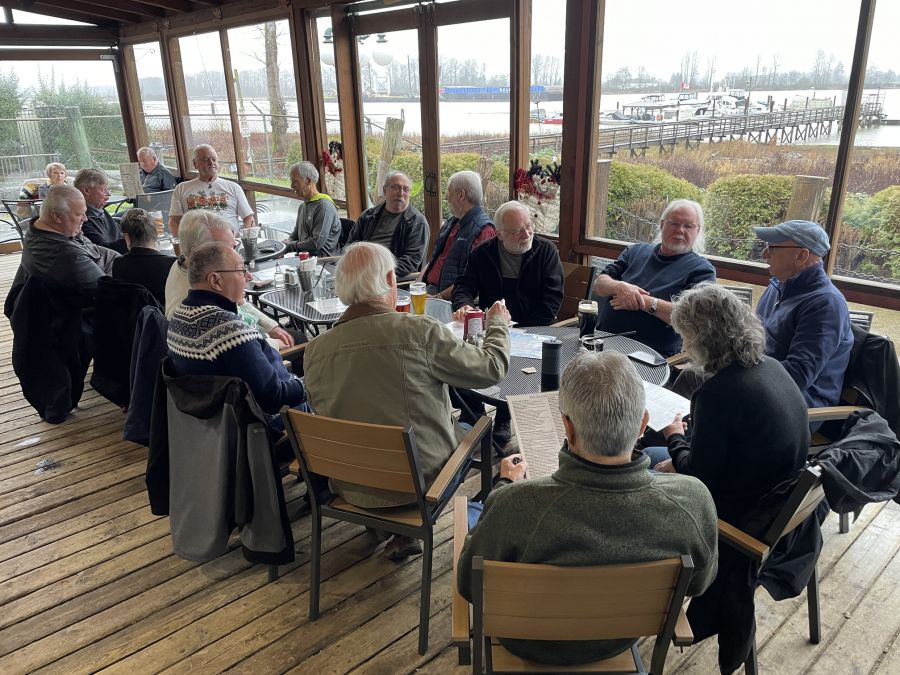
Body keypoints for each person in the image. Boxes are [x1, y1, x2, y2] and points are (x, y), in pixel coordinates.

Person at [457, 351, 718, 667]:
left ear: (567, 427)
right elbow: (700, 583)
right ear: (642, 424)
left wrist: (504, 485)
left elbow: (469, 585)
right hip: (616, 642)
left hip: (526, 645)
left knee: (471, 511)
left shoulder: (514, 504)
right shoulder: (693, 501)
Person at [303, 241, 511, 561]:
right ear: (390, 281)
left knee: (378, 420)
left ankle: (395, 531)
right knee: (474, 426)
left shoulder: (315, 351)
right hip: (421, 484)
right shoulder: (421, 332)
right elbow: (491, 368)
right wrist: (497, 324)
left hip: (351, 484)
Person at [646, 284, 809, 524]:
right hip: (772, 490)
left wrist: (675, 436)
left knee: (638, 476)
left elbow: (697, 475)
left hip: (739, 511)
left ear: (702, 340)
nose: (683, 347)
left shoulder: (716, 392)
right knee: (649, 453)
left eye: (685, 337)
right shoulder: (771, 366)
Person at [166, 241, 306, 426]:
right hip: (263, 432)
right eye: (241, 271)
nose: (248, 276)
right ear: (215, 280)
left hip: (212, 429)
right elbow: (274, 398)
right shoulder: (230, 331)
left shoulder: (178, 318)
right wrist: (311, 384)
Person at [592, 199, 715, 356]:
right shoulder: (635, 251)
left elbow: (694, 318)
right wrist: (620, 287)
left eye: (688, 226)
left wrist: (645, 303)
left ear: (697, 231)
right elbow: (600, 283)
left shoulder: (702, 270)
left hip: (651, 357)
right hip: (602, 344)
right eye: (674, 223)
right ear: (662, 224)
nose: (680, 230)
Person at [753, 219, 853, 408]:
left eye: (772, 247)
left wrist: (737, 370)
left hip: (799, 403)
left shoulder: (825, 304)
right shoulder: (777, 286)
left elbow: (798, 375)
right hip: (761, 384)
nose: (764, 254)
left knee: (716, 396)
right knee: (693, 376)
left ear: (801, 255)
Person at [164, 211, 294, 350]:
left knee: (290, 335)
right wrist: (273, 344)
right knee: (300, 343)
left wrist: (271, 327)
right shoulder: (194, 299)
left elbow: (241, 303)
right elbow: (234, 346)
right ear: (201, 253)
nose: (235, 255)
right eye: (226, 249)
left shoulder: (184, 263)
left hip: (247, 337)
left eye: (234, 246)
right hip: (243, 351)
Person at [451, 200, 563, 327]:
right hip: (492, 327)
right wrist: (464, 305)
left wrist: (519, 328)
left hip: (537, 328)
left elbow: (551, 301)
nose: (526, 234)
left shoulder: (546, 251)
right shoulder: (482, 253)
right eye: (517, 231)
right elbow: (463, 286)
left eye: (529, 226)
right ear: (499, 234)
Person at [12, 184, 118, 293]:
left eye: (84, 213)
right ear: (57, 216)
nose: (85, 219)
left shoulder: (41, 229)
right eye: (79, 214)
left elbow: (95, 249)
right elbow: (109, 291)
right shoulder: (65, 255)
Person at [420, 170, 496, 300]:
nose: (446, 197)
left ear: (461, 195)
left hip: (449, 301)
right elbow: (434, 259)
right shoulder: (452, 221)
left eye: (448, 192)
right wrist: (417, 285)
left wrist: (437, 298)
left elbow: (473, 280)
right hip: (429, 292)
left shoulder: (484, 230)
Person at [345, 171, 429, 280]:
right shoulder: (368, 216)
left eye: (406, 189)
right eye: (396, 187)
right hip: (362, 274)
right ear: (385, 190)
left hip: (391, 280)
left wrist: (376, 273)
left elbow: (410, 261)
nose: (401, 193)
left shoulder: (417, 222)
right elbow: (351, 246)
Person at [168, 145, 254, 238]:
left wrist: (245, 240)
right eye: (205, 159)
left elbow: (249, 218)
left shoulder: (233, 187)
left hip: (230, 242)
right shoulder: (182, 189)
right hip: (197, 244)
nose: (211, 162)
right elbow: (174, 222)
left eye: (214, 159)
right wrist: (183, 244)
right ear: (195, 164)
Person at [112, 208, 177, 307]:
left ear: (127, 237)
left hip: (132, 319)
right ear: (156, 232)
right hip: (164, 319)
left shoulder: (118, 264)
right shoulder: (171, 264)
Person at [283, 161, 341, 257]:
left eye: (295, 181)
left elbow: (316, 243)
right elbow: (295, 235)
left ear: (308, 181)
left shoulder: (324, 207)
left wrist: (289, 246)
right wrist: (284, 244)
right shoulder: (303, 206)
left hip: (322, 263)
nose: (292, 186)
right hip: (304, 259)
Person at [74, 168, 128, 254]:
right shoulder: (82, 221)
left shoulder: (99, 210)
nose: (108, 194)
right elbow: (102, 250)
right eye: (103, 189)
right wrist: (134, 242)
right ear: (86, 190)